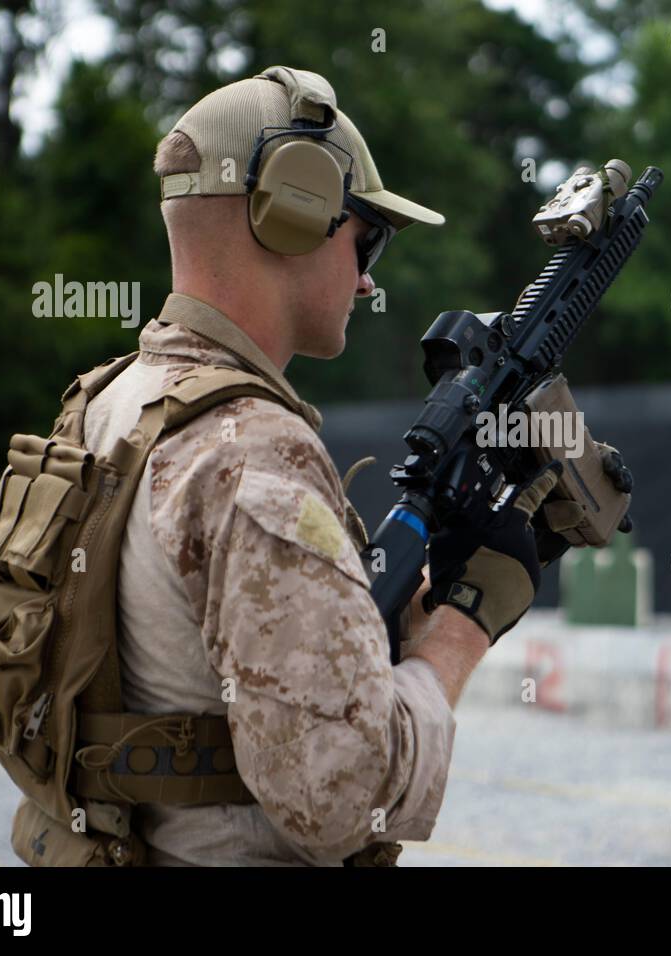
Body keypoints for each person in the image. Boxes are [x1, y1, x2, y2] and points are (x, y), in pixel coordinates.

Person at [81, 66, 563, 865]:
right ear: (294, 213)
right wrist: (459, 633)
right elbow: (340, 794)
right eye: (365, 237)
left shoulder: (111, 402)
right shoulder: (254, 453)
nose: (369, 276)